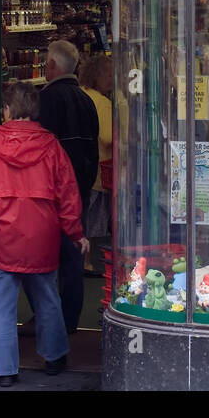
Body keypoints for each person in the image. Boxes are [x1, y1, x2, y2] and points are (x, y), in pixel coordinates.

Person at [0, 82, 87, 387]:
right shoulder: (52, 146)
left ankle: (5, 371)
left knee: (1, 306)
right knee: (47, 299)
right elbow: (68, 196)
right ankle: (53, 358)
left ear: (7, 110)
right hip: (42, 238)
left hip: (1, 238)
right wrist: (76, 233)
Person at [37, 39, 99, 332]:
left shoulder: (48, 100)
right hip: (80, 192)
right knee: (74, 258)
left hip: (51, 195)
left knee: (44, 259)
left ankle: (48, 320)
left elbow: (42, 152)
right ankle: (70, 320)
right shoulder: (86, 100)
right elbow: (92, 151)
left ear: (51, 65)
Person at [78, 54, 114, 272]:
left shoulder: (80, 95)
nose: (111, 80)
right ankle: (87, 261)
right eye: (109, 75)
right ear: (99, 76)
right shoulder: (103, 103)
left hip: (80, 166)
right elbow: (108, 137)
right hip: (99, 168)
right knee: (92, 220)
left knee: (81, 215)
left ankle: (81, 260)